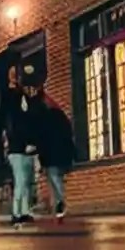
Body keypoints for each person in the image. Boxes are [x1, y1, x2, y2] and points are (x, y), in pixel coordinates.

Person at [3, 64, 45, 227]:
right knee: (21, 180)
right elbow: (16, 123)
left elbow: (29, 119)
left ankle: (24, 211)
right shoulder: (12, 98)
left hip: (24, 147)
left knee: (26, 180)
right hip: (17, 147)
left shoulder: (24, 98)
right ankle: (16, 213)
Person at [37, 88, 75, 222]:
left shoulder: (46, 117)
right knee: (55, 179)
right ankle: (58, 205)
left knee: (54, 178)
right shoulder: (60, 115)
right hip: (58, 153)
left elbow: (42, 138)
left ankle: (60, 203)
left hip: (53, 154)